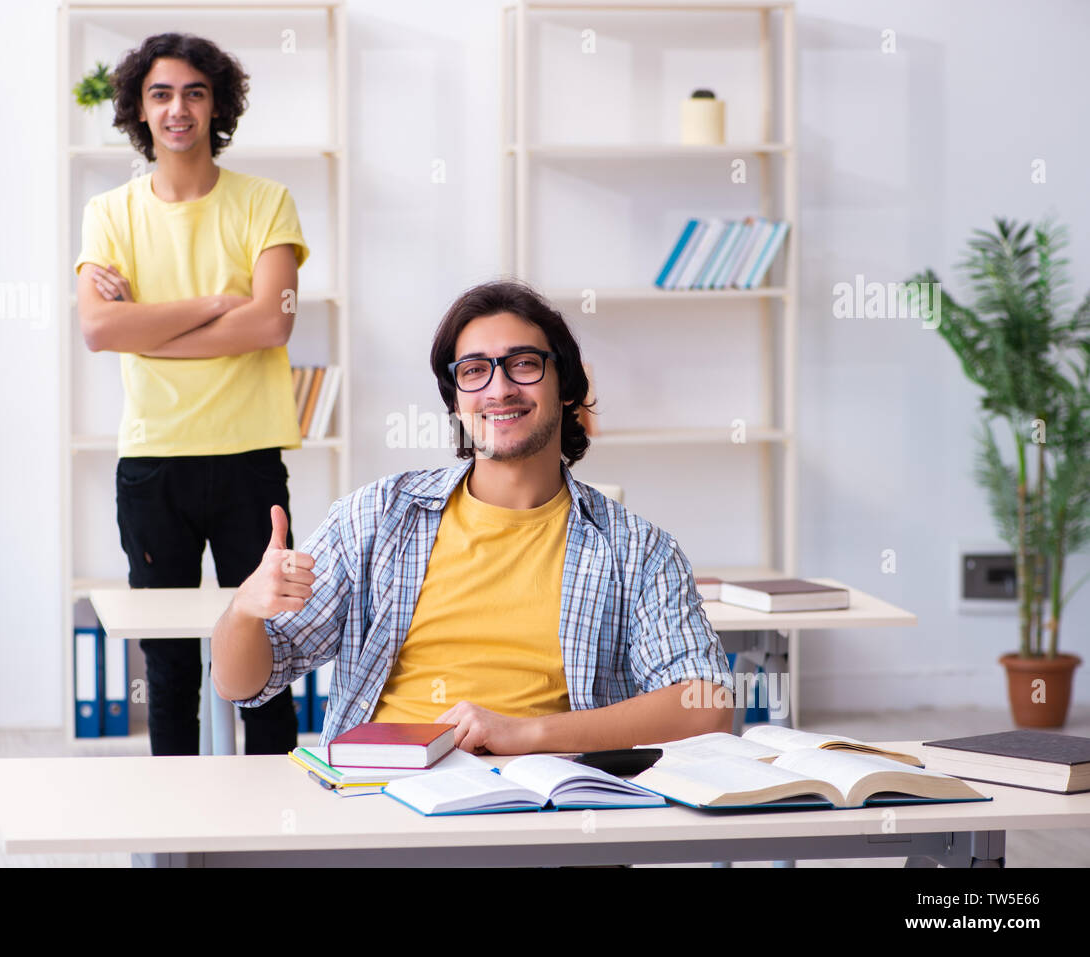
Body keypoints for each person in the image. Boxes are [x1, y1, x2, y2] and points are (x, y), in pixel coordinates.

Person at [212, 280, 735, 754]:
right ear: (457, 400)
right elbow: (244, 684)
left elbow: (706, 704)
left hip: (549, 807)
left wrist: (525, 734)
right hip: (384, 800)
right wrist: (244, 611)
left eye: (524, 364)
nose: (499, 388)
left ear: (567, 385)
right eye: (474, 370)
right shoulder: (375, 516)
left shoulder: (638, 549)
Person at [74, 33, 304, 756]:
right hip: (153, 463)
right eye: (161, 93)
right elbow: (100, 327)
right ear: (138, 110)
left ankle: (276, 829)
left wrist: (150, 325)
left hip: (249, 461)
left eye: (195, 92)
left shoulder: (266, 202)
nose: (179, 109)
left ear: (217, 105)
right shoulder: (108, 212)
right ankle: (177, 838)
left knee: (265, 649)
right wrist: (213, 303)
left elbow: (272, 319)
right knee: (170, 664)